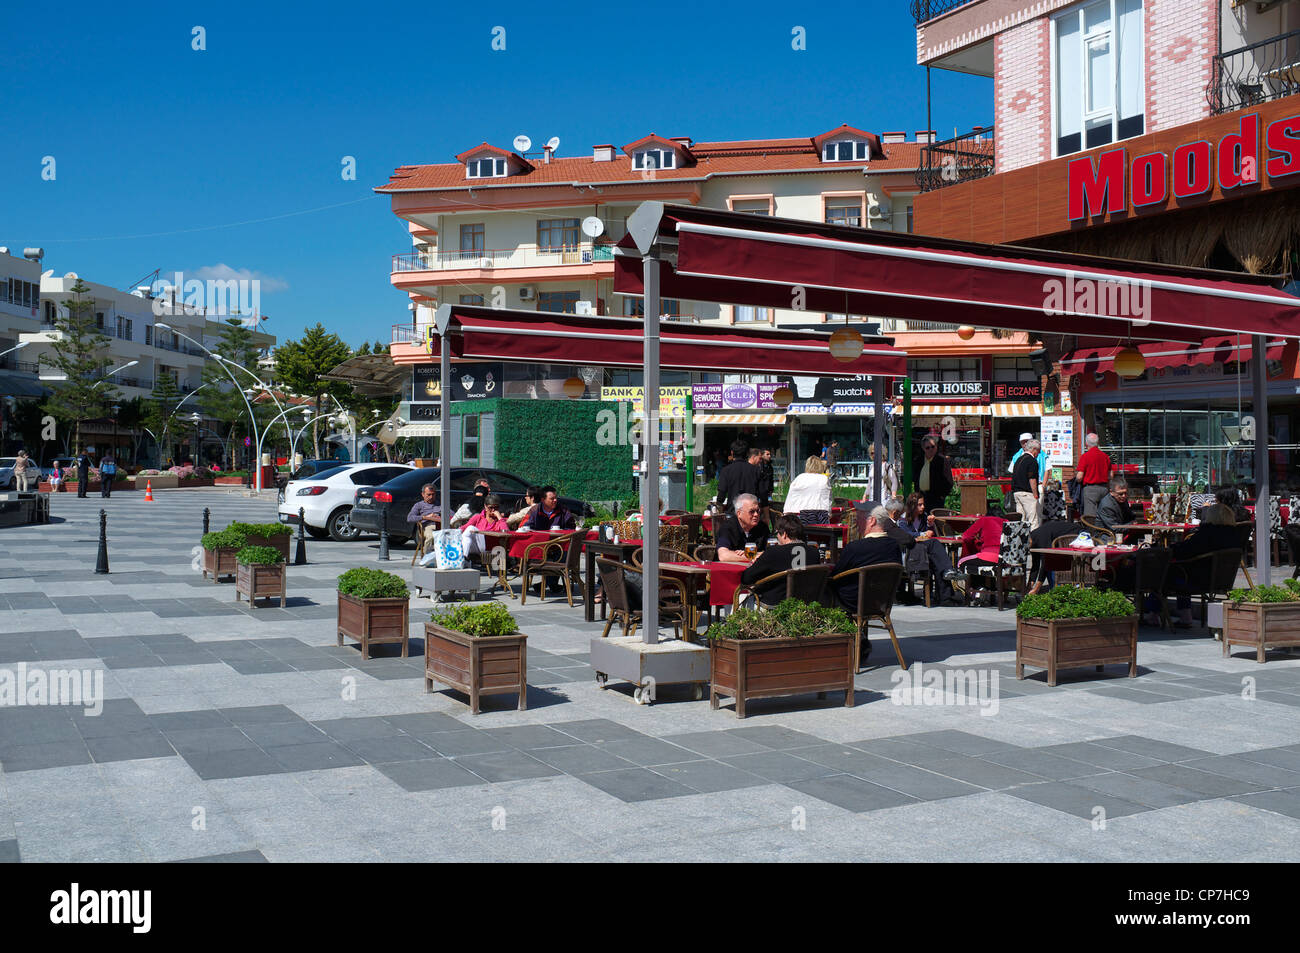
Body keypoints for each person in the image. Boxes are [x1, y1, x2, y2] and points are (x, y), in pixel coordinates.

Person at [1157, 504, 1243, 628]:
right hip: (1222, 580)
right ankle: (1183, 615)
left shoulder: (1207, 533)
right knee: (1177, 572)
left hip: (1198, 579)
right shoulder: (1235, 536)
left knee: (1164, 574)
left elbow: (1186, 550)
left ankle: (1154, 613)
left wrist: (1170, 548)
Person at [831, 503, 902, 614]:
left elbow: (835, 576)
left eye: (859, 519)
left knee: (822, 588)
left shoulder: (855, 548)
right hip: (881, 603)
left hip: (852, 603)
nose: (857, 523)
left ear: (872, 521)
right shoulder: (894, 546)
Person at [893, 492, 962, 605]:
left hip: (923, 550)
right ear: (912, 506)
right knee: (934, 543)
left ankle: (945, 596)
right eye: (919, 505)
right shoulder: (903, 520)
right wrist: (924, 533)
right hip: (911, 551)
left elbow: (929, 533)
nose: (923, 507)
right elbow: (906, 535)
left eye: (923, 504)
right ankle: (948, 576)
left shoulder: (923, 517)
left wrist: (930, 525)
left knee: (937, 563)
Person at [739, 514, 819, 606]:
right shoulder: (814, 553)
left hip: (774, 606)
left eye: (777, 533)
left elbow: (746, 579)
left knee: (741, 598)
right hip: (805, 605)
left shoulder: (773, 552)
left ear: (784, 534)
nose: (777, 537)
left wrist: (756, 564)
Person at [715, 494, 770, 562]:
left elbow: (773, 552)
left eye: (758, 511)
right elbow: (723, 556)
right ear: (739, 513)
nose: (756, 514)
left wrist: (748, 554)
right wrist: (752, 556)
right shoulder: (728, 528)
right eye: (752, 511)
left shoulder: (762, 527)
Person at [783, 456, 833, 525]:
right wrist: (829, 513)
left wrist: (786, 513)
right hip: (820, 518)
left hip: (799, 517)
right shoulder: (824, 479)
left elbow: (791, 497)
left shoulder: (800, 478)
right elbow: (828, 499)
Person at [716, 439, 759, 513]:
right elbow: (762, 493)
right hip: (751, 513)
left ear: (732, 453)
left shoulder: (726, 470)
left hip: (733, 511)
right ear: (747, 454)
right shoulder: (755, 470)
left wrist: (719, 504)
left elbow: (721, 494)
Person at [1074, 433, 1112, 517]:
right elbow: (1111, 475)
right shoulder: (1105, 456)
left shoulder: (1085, 456)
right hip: (1104, 488)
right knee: (1104, 514)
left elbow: (1079, 477)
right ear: (1098, 443)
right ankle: (1103, 529)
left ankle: (1091, 530)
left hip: (1090, 489)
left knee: (1090, 516)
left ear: (1086, 444)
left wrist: (1076, 480)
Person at [460, 494, 509, 558]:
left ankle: (463, 558)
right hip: (479, 547)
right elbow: (465, 527)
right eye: (491, 508)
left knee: (471, 528)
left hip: (492, 548)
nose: (493, 510)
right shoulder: (478, 517)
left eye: (496, 508)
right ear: (485, 507)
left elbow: (506, 532)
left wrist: (499, 517)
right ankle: (464, 558)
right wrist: (454, 532)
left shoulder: (501, 521)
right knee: (466, 538)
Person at [914, 435, 953, 514]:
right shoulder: (919, 460)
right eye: (928, 448)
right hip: (922, 497)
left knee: (935, 521)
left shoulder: (942, 460)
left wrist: (942, 495)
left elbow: (949, 480)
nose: (931, 449)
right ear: (923, 449)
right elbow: (915, 477)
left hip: (936, 498)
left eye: (933, 447)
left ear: (936, 446)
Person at [1011, 438, 1042, 532]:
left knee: (1021, 521)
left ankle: (1021, 542)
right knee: (1033, 520)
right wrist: (1035, 494)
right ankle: (1035, 543)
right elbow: (1032, 479)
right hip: (1027, 493)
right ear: (1034, 450)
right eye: (1038, 451)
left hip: (1017, 493)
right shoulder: (1032, 461)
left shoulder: (1018, 460)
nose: (1039, 453)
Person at [756, 447, 775, 516]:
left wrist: (771, 490)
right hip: (759, 493)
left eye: (770, 454)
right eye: (767, 454)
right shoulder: (758, 466)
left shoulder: (770, 467)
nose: (769, 456)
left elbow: (771, 479)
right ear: (762, 455)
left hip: (767, 492)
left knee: (768, 511)